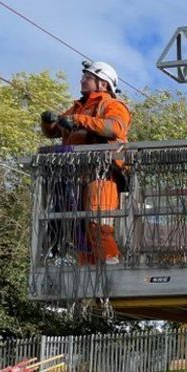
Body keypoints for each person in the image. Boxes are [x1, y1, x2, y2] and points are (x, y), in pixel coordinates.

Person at [41, 60, 131, 264]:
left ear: (103, 83)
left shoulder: (112, 105)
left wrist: (78, 120)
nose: (82, 80)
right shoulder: (78, 106)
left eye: (88, 78)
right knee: (78, 228)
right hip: (75, 175)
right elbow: (54, 131)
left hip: (101, 173)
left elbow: (114, 128)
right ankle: (88, 276)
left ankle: (111, 267)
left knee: (98, 224)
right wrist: (48, 122)